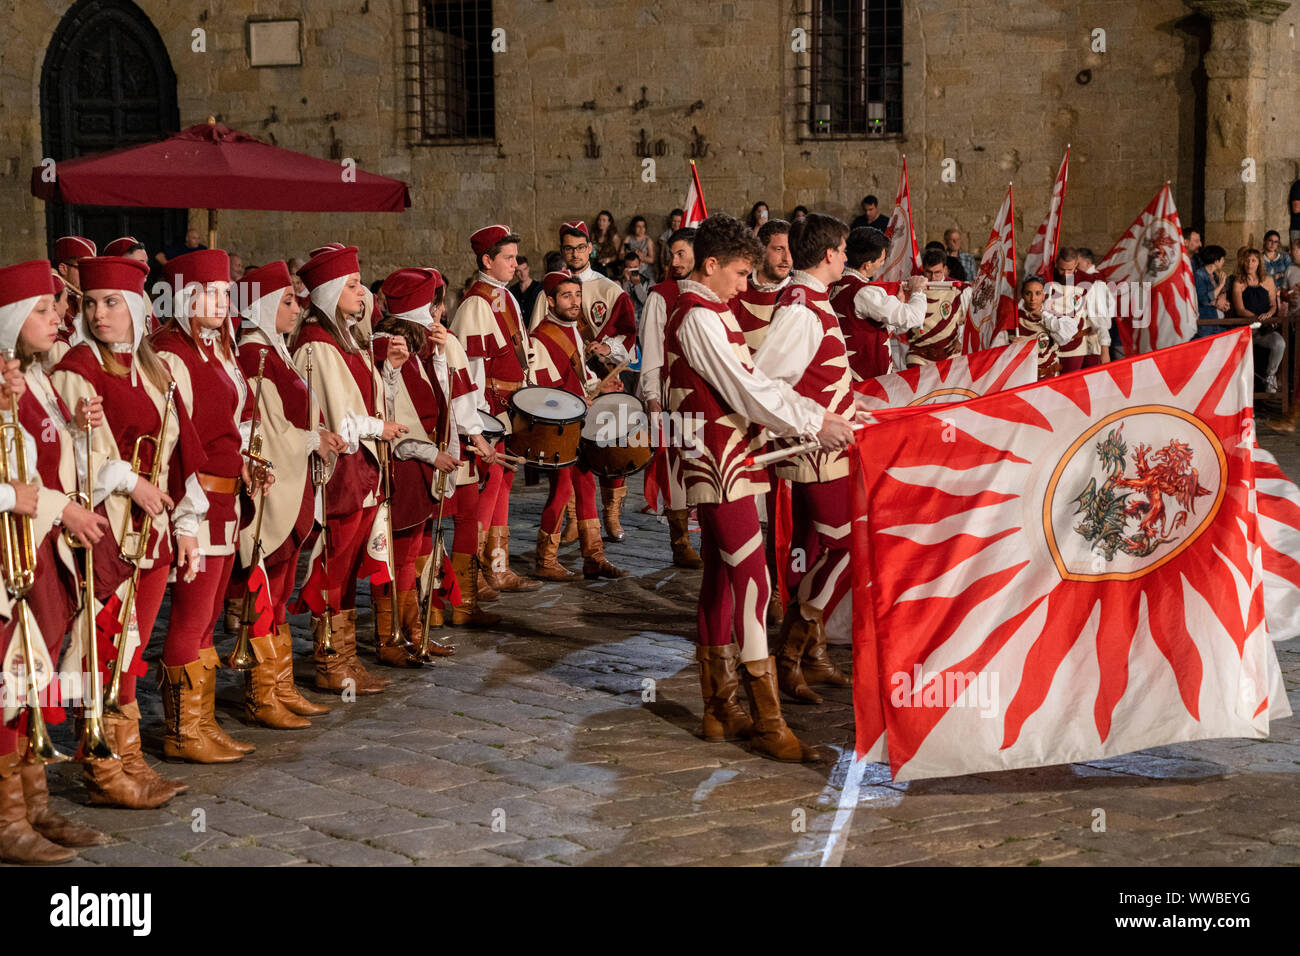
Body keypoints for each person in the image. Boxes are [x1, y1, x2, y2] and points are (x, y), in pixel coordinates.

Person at [662, 213, 851, 762]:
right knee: (754, 582)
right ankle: (768, 721)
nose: (748, 286)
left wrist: (813, 415)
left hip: (730, 459)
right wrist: (814, 422)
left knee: (723, 581)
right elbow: (747, 389)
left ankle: (720, 710)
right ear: (712, 265)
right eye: (742, 273)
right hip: (719, 464)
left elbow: (756, 383)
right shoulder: (697, 317)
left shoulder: (711, 311)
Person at [53, 254, 201, 805]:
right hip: (107, 529)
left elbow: (176, 454)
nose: (98, 315)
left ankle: (131, 759)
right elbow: (73, 452)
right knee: (105, 646)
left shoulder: (155, 371)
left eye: (112, 303)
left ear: (137, 308)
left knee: (131, 652)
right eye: (90, 303)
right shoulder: (76, 368)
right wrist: (126, 480)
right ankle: (104, 769)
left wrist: (185, 524)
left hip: (154, 532)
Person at [0, 260, 113, 863]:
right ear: (14, 318)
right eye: (42, 310)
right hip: (10, 546)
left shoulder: (34, 376)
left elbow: (39, 459)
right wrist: (46, 504)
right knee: (5, 676)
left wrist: (76, 427)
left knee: (28, 673)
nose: (58, 317)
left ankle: (33, 804)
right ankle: (7, 819)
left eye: (54, 308)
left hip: (37, 542)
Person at [152, 248, 271, 762]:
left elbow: (230, 421)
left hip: (228, 497)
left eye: (225, 292)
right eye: (208, 293)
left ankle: (200, 722)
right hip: (193, 500)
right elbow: (179, 438)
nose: (220, 302)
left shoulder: (219, 349)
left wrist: (245, 460)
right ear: (182, 297)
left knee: (207, 618)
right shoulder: (171, 351)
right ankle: (182, 731)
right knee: (190, 614)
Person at [753, 214, 869, 705]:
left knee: (824, 547)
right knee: (842, 547)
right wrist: (817, 420)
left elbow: (817, 375)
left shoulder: (812, 300)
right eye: (843, 251)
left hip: (826, 444)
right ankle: (790, 655)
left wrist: (846, 402)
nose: (846, 258)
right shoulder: (803, 307)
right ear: (828, 255)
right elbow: (767, 380)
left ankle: (808, 655)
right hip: (814, 450)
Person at [290, 244, 406, 693]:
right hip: (338, 471)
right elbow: (338, 419)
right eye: (353, 285)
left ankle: (346, 656)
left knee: (349, 563)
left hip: (363, 467)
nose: (363, 293)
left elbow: (368, 395)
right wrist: (381, 425)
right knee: (331, 565)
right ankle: (328, 660)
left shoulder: (349, 340)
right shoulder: (318, 346)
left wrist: (389, 371)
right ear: (332, 290)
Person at [233, 261, 341, 725]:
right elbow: (267, 434)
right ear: (261, 306)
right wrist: (313, 440)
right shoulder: (255, 355)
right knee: (263, 588)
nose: (297, 308)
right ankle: (262, 694)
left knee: (279, 590)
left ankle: (280, 683)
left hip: (297, 484)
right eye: (287, 300)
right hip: (276, 487)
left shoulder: (274, 350)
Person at [366, 267, 459, 664]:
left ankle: (413, 632)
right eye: (432, 307)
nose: (438, 315)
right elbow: (393, 411)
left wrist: (438, 356)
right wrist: (428, 454)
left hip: (422, 468)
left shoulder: (419, 347)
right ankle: (389, 638)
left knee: (410, 555)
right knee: (393, 555)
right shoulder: (394, 346)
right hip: (402, 466)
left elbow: (438, 400)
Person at [530, 221, 638, 543]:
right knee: (569, 457)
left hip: (604, 375)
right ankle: (574, 520)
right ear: (562, 250)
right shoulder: (549, 290)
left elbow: (629, 333)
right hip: (566, 383)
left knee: (610, 448)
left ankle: (611, 515)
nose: (574, 253)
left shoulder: (609, 289)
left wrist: (607, 347)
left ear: (590, 248)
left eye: (580, 247)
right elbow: (537, 337)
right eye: (568, 248)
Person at [452, 225, 542, 593]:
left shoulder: (503, 297)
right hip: (487, 413)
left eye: (515, 257)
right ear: (486, 261)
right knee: (486, 489)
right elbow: (470, 369)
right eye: (507, 257)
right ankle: (471, 576)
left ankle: (498, 567)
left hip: (507, 411)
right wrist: (476, 424)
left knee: (503, 486)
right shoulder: (477, 303)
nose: (514, 263)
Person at [529, 271, 626, 581]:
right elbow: (541, 388)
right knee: (562, 490)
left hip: (579, 423)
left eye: (577, 295)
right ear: (551, 301)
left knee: (585, 487)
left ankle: (594, 557)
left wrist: (603, 386)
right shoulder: (541, 337)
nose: (574, 302)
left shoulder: (573, 331)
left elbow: (582, 376)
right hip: (559, 427)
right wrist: (580, 397)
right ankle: (545, 559)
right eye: (567, 296)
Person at [637, 227, 702, 569]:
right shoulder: (660, 295)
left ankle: (714, 537)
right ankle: (680, 542)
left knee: (707, 467)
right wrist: (651, 398)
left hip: (709, 394)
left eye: (682, 254)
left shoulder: (714, 292)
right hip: (673, 395)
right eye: (671, 255)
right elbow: (650, 352)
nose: (675, 262)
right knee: (677, 466)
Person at [828, 226, 927, 380]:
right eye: (881, 261)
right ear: (867, 264)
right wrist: (918, 291)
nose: (882, 264)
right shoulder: (864, 292)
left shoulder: (836, 283)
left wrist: (899, 302)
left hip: (847, 370)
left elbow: (866, 326)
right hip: (866, 377)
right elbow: (914, 317)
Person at [730, 219, 792, 354]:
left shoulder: (800, 293)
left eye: (791, 249)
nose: (787, 258)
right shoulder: (735, 290)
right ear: (761, 251)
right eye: (779, 249)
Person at [1229, 246, 1285, 393]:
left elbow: (1273, 305)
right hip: (1246, 328)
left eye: (1253, 260)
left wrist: (1268, 315)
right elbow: (1240, 309)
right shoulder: (1238, 283)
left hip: (1264, 328)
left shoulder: (1268, 280)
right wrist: (1256, 318)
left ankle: (1270, 377)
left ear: (1259, 263)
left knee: (1279, 343)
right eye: (1247, 260)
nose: (1250, 264)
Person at [1017, 276, 1078, 379]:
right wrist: (1012, 347)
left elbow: (1068, 335)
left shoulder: (1052, 314)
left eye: (1037, 293)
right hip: (1022, 377)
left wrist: (1044, 317)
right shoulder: (1014, 318)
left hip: (1049, 376)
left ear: (1044, 295)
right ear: (1022, 295)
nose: (1033, 298)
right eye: (1028, 293)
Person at [1194, 244, 1229, 338]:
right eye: (1222, 259)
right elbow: (1204, 300)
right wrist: (1220, 285)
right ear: (1216, 261)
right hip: (1205, 323)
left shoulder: (1214, 274)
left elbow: (1222, 290)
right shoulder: (1199, 275)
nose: (1223, 261)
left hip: (1214, 319)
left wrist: (1222, 299)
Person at [508, 255, 543, 323]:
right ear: (515, 273)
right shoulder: (512, 290)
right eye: (518, 271)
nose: (523, 273)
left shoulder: (539, 288)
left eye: (525, 269)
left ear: (528, 269)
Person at [623, 216, 658, 281]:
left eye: (643, 226)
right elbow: (621, 255)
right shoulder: (628, 239)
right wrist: (630, 255)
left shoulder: (648, 240)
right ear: (633, 228)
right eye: (638, 227)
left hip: (645, 269)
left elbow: (652, 259)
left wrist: (641, 257)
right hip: (631, 267)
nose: (641, 229)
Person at [620, 251, 649, 321]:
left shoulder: (647, 281)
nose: (633, 270)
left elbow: (646, 302)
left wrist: (637, 285)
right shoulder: (619, 282)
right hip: (626, 319)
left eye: (635, 267)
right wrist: (626, 281)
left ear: (640, 266)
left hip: (643, 320)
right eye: (630, 267)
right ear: (625, 268)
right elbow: (623, 304)